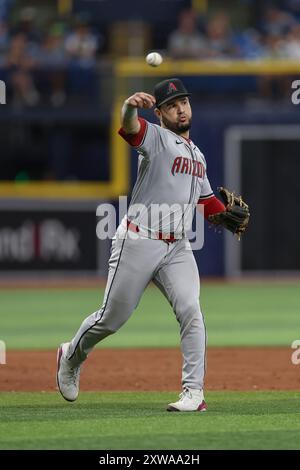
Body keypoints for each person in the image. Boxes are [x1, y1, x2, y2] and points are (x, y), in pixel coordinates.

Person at [56, 78, 228, 412]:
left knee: (191, 310)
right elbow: (130, 128)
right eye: (173, 105)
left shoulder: (199, 156)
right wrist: (129, 106)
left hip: (177, 247)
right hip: (139, 239)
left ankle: (194, 393)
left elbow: (208, 204)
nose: (181, 109)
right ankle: (71, 355)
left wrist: (229, 215)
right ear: (161, 113)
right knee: (112, 318)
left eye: (184, 102)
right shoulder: (157, 139)